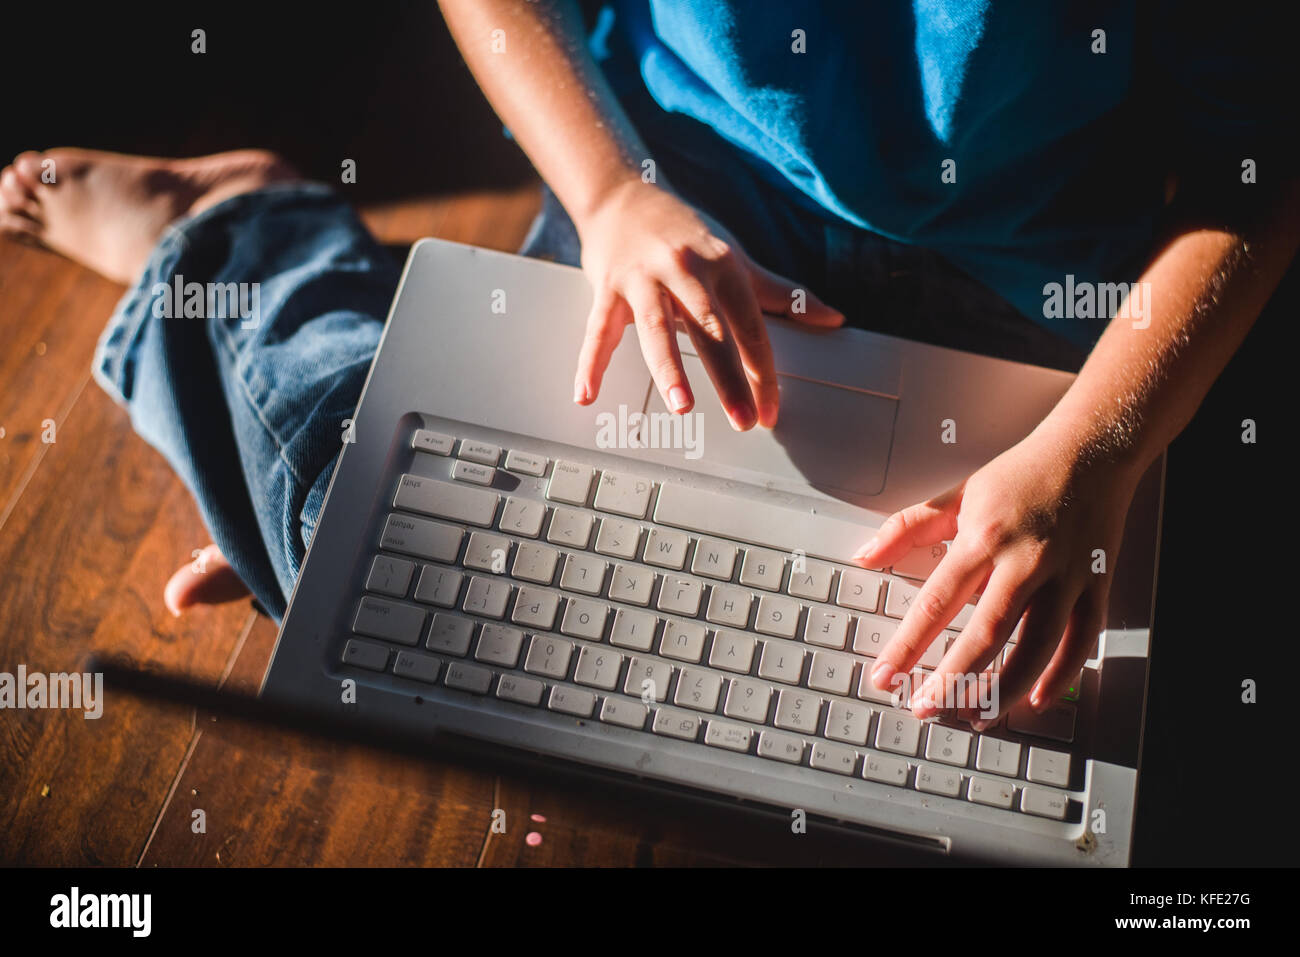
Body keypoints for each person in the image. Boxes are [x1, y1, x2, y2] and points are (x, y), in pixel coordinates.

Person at [0, 1, 1294, 726]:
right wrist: (610, 191)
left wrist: (1097, 447)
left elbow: (1263, 157)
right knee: (394, 581)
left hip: (1032, 280)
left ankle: (303, 367)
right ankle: (240, 239)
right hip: (682, 189)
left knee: (1034, 716)